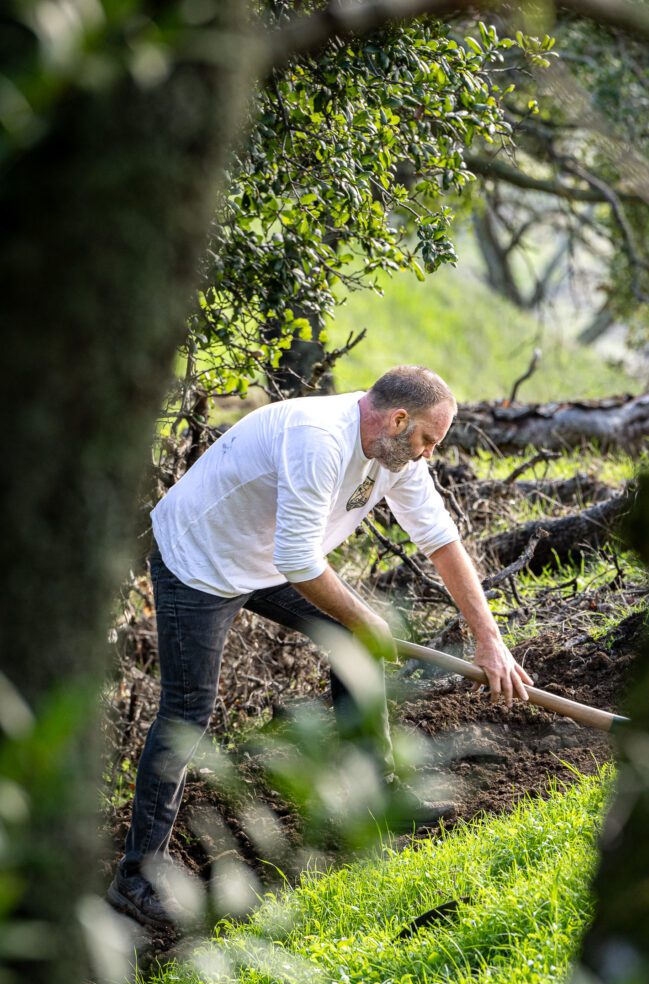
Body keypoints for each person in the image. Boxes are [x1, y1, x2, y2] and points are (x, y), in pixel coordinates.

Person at [106, 365, 533, 929]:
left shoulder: (396, 453)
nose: (430, 453)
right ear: (399, 419)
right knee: (189, 711)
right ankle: (135, 876)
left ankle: (374, 796)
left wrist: (490, 639)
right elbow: (300, 562)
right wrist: (367, 620)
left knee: (356, 644)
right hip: (200, 561)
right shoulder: (319, 440)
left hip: (268, 558)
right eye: (429, 440)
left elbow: (441, 540)